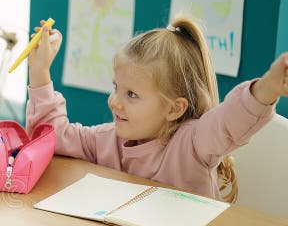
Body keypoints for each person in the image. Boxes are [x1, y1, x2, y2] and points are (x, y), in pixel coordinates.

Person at [25, 16, 288, 201]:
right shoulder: (107, 140)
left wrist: (268, 87)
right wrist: (40, 72)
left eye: (131, 94)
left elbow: (231, 120)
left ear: (174, 109)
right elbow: (52, 137)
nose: (114, 101)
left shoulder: (194, 143)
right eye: (116, 87)